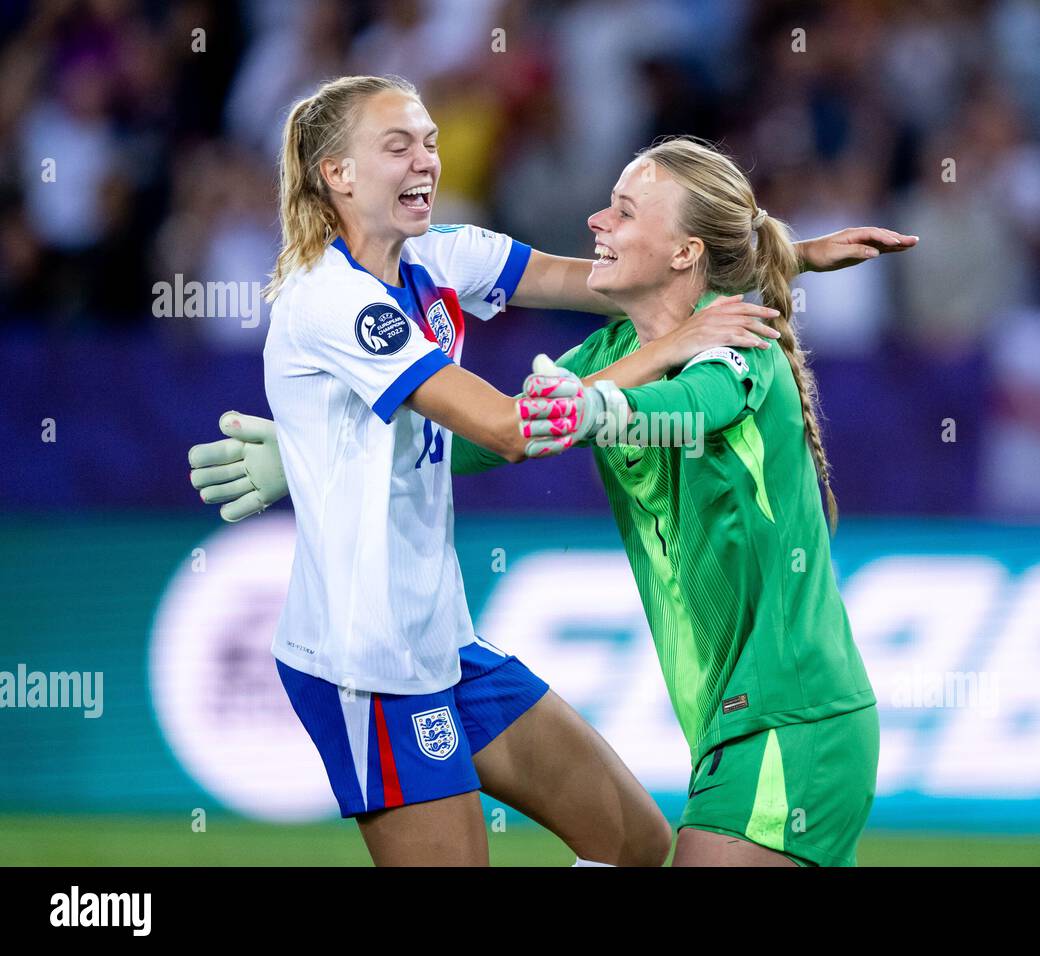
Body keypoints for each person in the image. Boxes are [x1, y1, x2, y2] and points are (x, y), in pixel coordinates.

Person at [189, 74, 915, 866]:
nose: (427, 160)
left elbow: (606, 284)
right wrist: (308, 464)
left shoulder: (444, 257)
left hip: (446, 645)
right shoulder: (332, 302)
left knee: (633, 843)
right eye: (398, 146)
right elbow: (504, 429)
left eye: (431, 140)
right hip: (369, 663)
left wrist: (783, 256)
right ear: (340, 174)